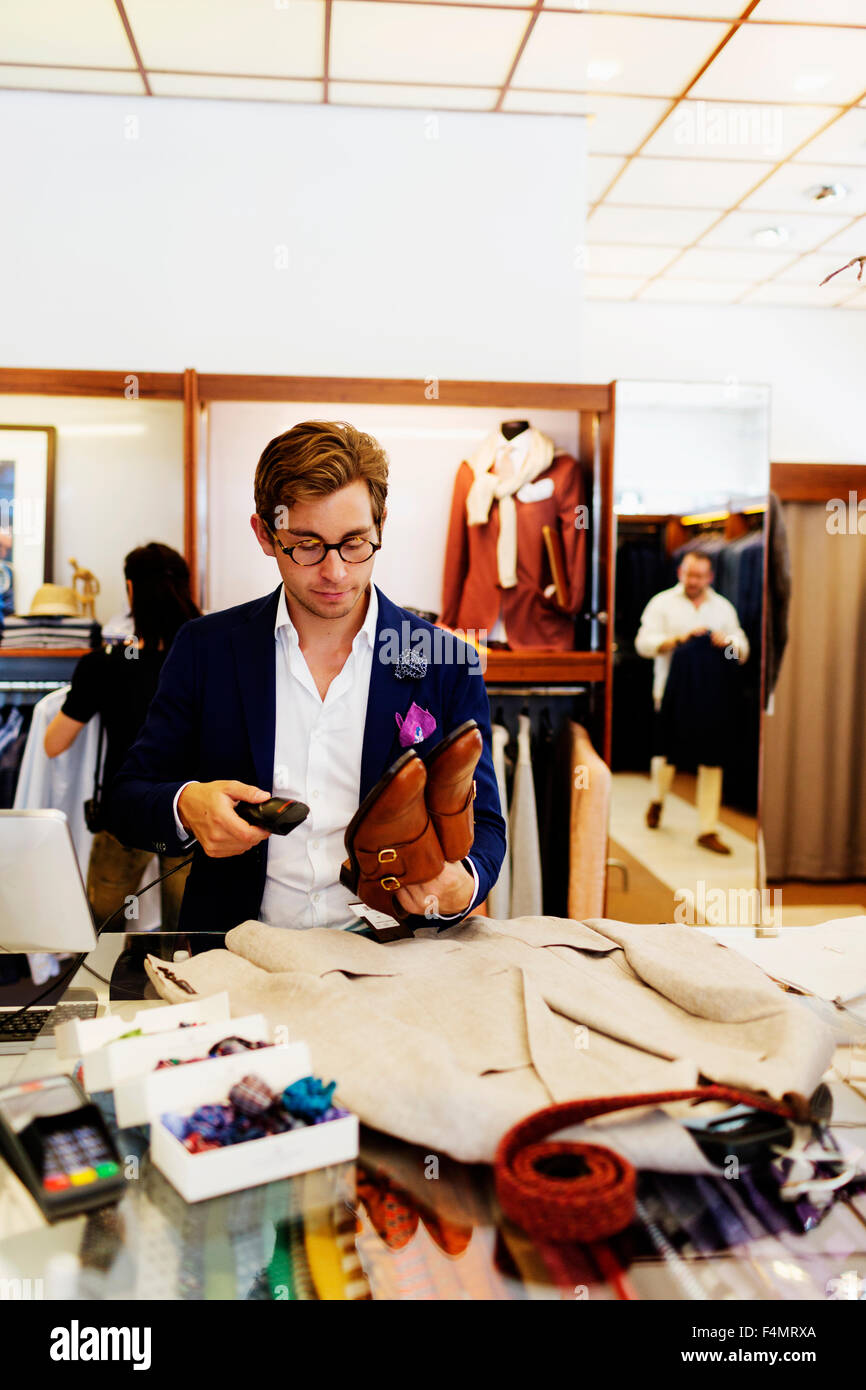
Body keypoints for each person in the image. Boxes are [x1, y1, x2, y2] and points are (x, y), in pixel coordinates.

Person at [107, 421, 506, 933]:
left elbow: (488, 824)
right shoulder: (205, 649)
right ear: (265, 535)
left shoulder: (446, 659)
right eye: (307, 545)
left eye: (355, 542)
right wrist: (187, 805)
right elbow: (127, 797)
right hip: (238, 952)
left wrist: (461, 885)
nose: (336, 572)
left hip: (398, 957)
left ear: (380, 525)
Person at [44, 543, 200, 927]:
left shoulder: (105, 665)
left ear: (130, 590)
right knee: (187, 935)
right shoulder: (207, 658)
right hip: (193, 812)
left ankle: (109, 983)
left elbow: (53, 744)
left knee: (103, 929)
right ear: (184, 587)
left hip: (126, 814)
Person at [634, 549, 749, 854]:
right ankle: (657, 800)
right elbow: (643, 644)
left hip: (710, 696)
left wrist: (727, 644)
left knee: (712, 758)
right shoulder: (662, 603)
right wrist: (677, 641)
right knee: (665, 752)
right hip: (668, 692)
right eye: (689, 574)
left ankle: (707, 829)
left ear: (709, 577)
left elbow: (741, 652)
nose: (693, 580)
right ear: (680, 573)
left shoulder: (723, 609)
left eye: (699, 575)